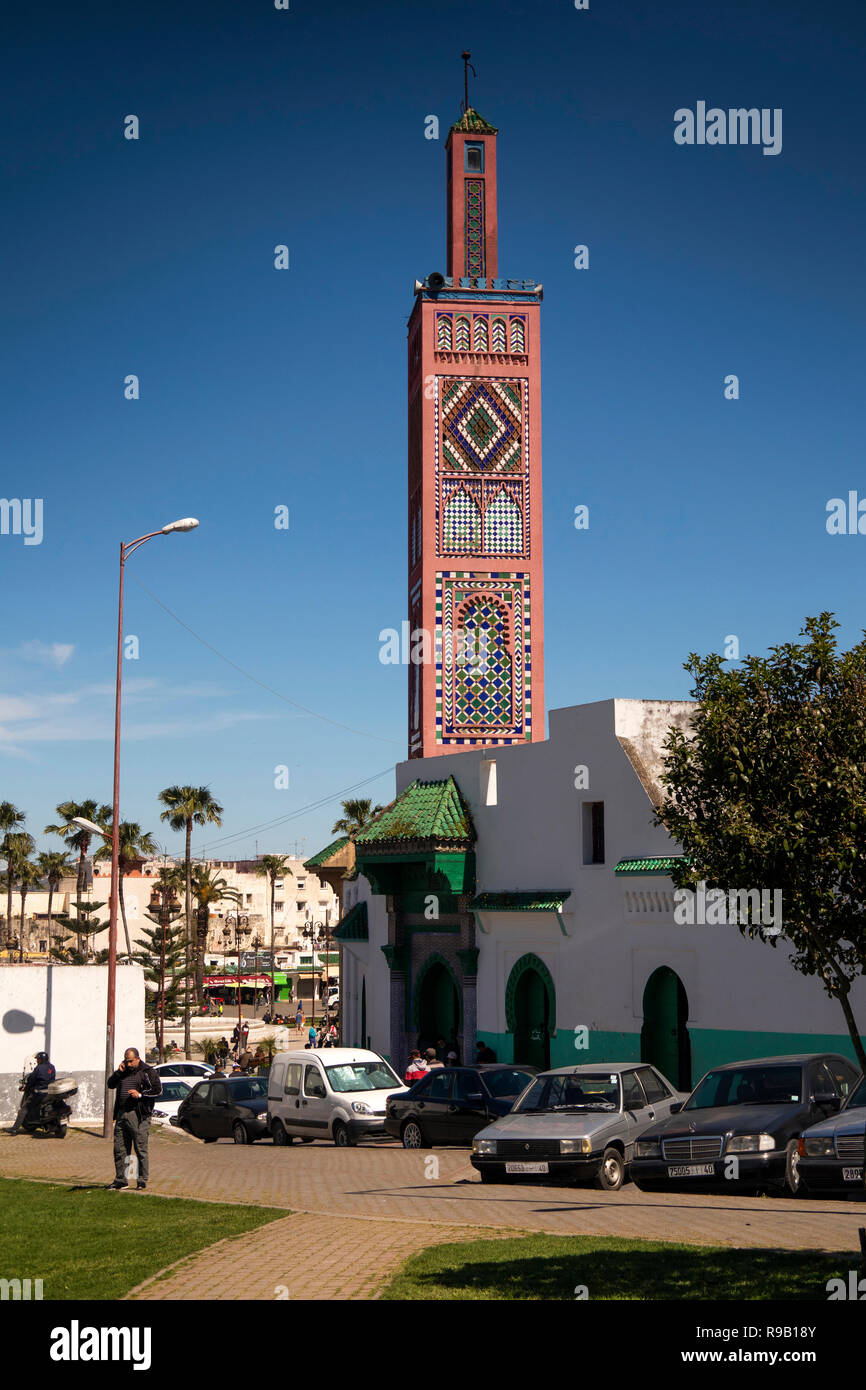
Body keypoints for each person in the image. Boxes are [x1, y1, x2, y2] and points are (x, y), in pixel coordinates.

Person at [107, 1047, 162, 1191]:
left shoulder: (147, 1071)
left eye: (131, 1061)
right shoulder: (123, 1071)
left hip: (138, 1115)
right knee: (120, 1149)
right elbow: (110, 1084)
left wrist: (140, 1095)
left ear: (138, 1058)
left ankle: (142, 1180)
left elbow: (158, 1090)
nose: (129, 1064)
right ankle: (121, 1180)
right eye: (127, 1061)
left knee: (140, 1148)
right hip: (122, 1113)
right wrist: (119, 1072)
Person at [11, 1051, 56, 1133]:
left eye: (38, 1059)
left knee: (24, 1108)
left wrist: (26, 1087)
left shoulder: (39, 1068)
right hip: (50, 1093)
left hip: (40, 1093)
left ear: (41, 1059)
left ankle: (14, 1129)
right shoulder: (52, 1067)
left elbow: (31, 1080)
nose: (37, 1061)